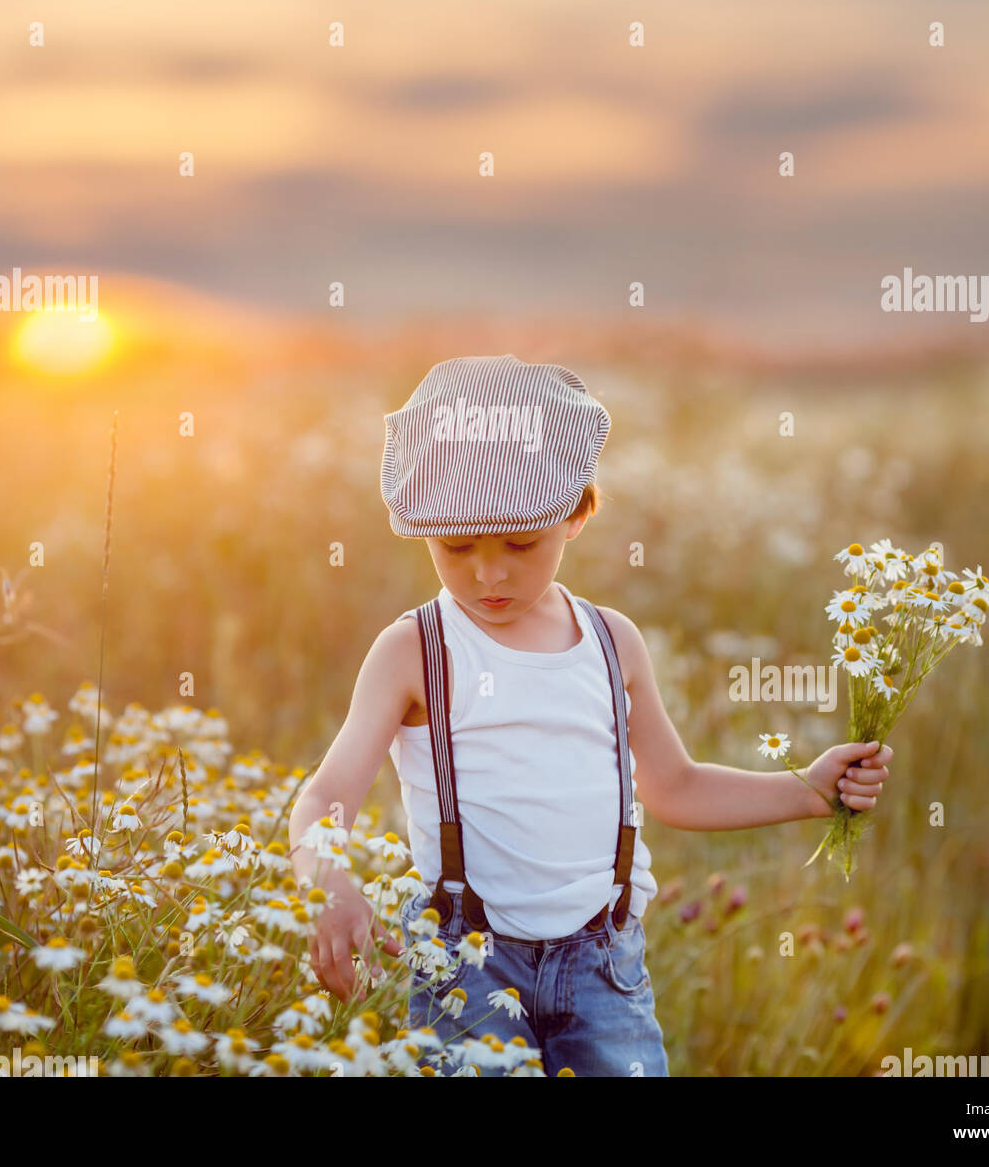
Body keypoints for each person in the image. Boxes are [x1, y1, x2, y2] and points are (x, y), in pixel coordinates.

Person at [289, 354, 893, 1076]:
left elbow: (676, 787)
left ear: (577, 514)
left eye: (520, 544)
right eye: (456, 547)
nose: (489, 573)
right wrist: (329, 883)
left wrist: (808, 788)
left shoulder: (612, 644)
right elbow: (325, 796)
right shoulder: (413, 651)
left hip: (605, 972)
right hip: (465, 971)